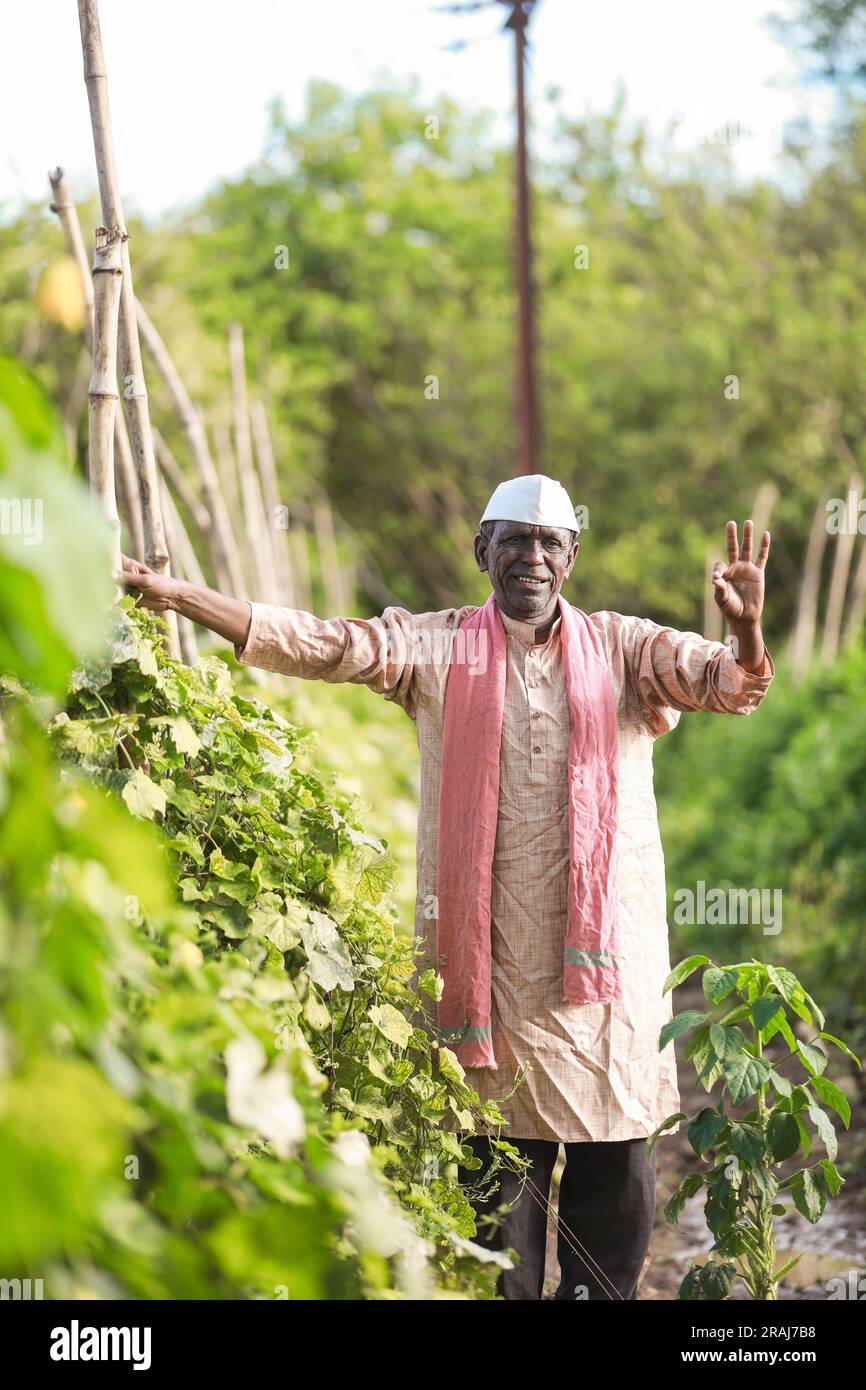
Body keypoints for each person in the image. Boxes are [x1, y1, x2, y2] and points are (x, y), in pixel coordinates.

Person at [121, 473, 774, 1301]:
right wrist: (181, 596)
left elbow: (724, 682)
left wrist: (747, 632)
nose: (531, 558)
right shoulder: (438, 647)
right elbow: (325, 642)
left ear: (572, 557)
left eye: (548, 544)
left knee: (614, 1173)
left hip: (607, 970)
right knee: (497, 1177)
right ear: (482, 552)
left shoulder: (626, 647)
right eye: (514, 541)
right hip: (487, 968)